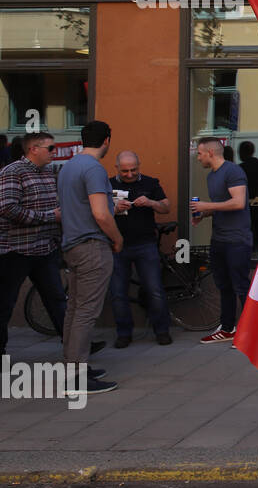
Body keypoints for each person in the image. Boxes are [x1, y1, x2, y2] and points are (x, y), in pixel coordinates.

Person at [0, 132, 73, 366]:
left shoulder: (47, 173)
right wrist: (48, 217)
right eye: (51, 148)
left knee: (57, 300)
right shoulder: (11, 172)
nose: (54, 152)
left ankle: (74, 350)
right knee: (5, 303)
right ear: (34, 149)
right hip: (17, 251)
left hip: (44, 249)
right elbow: (7, 209)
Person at [58, 120, 126, 395]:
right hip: (91, 246)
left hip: (71, 244)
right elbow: (100, 214)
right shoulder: (94, 169)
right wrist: (118, 237)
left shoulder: (69, 166)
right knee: (86, 313)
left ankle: (74, 366)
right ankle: (78, 376)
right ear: (107, 140)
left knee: (74, 310)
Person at [108, 151, 173, 348]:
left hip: (145, 244)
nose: (129, 174)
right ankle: (124, 333)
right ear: (117, 168)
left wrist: (151, 202)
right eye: (125, 171)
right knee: (118, 292)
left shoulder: (150, 183)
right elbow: (97, 213)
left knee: (154, 290)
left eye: (133, 170)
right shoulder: (108, 185)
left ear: (139, 166)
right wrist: (114, 210)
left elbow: (166, 207)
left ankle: (162, 331)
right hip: (118, 245)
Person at [193, 137, 251, 344]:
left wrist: (207, 207)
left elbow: (238, 202)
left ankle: (251, 333)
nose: (197, 157)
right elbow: (221, 205)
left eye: (199, 153)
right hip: (219, 238)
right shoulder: (211, 176)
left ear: (210, 153)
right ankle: (228, 328)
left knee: (241, 286)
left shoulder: (233, 171)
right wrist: (204, 214)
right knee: (224, 286)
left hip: (237, 238)